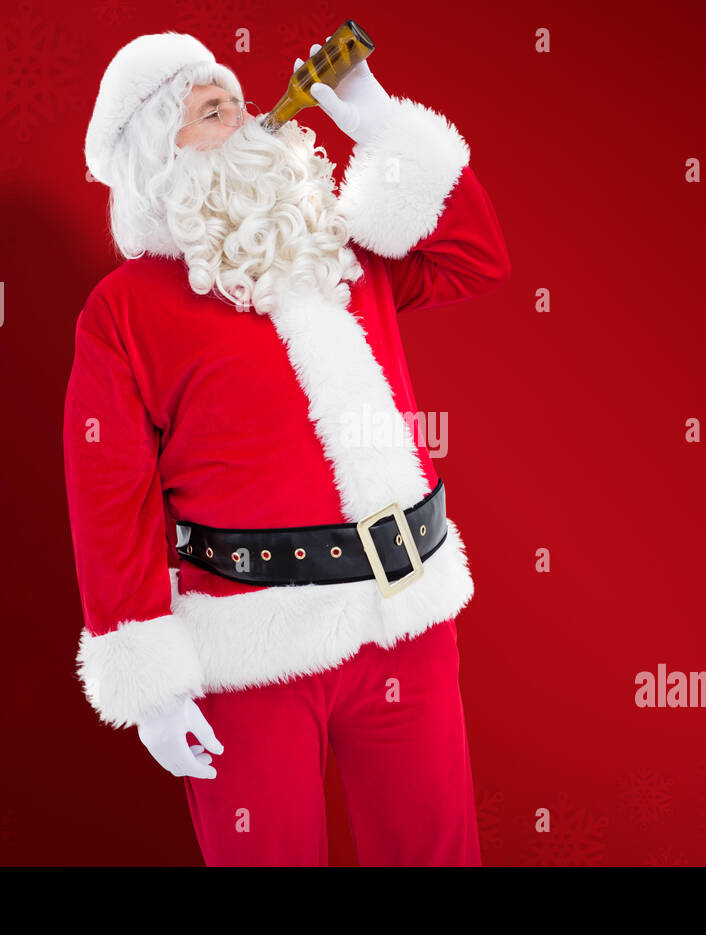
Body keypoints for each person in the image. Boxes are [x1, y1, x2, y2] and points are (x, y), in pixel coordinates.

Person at [65, 30, 510, 865]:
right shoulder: (124, 310)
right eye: (209, 111)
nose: (243, 118)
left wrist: (377, 119)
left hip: (402, 624)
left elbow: (475, 258)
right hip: (248, 651)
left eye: (237, 99)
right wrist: (152, 685)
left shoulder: (334, 250)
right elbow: (108, 501)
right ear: (160, 160)